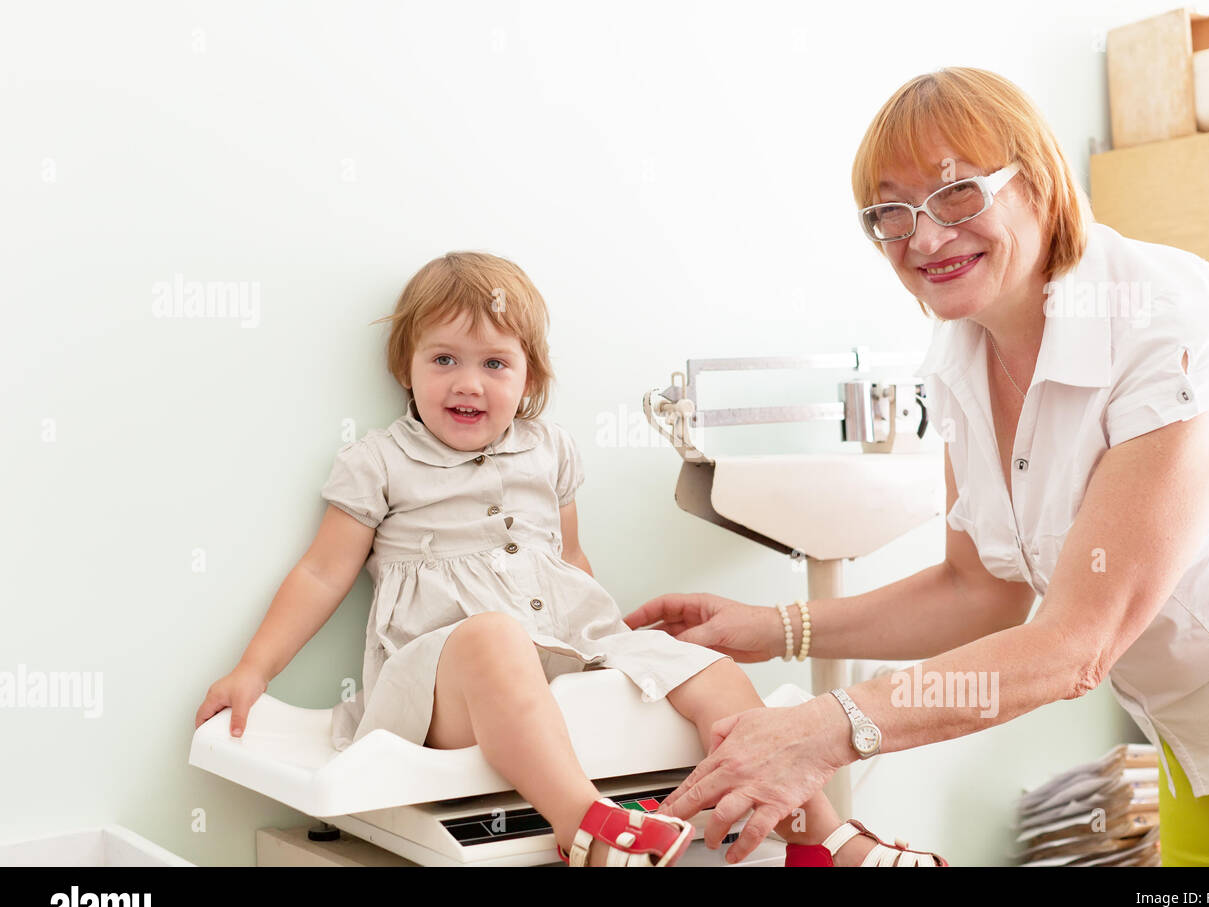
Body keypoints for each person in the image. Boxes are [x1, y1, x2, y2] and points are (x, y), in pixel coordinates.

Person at [625, 67, 1209, 866]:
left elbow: (1076, 642)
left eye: (957, 195)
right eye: (891, 212)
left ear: (1040, 183)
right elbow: (976, 591)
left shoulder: (1171, 323)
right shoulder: (961, 357)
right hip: (1197, 743)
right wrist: (771, 630)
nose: (924, 238)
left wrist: (828, 729)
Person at [193, 251, 941, 866]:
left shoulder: (549, 450)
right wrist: (254, 669)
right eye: (444, 359)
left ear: (528, 379)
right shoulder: (380, 462)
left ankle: (825, 836)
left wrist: (634, 656)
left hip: (562, 649)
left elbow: (573, 562)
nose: (468, 382)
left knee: (702, 662)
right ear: (406, 370)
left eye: (495, 363)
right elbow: (323, 572)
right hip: (443, 680)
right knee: (492, 633)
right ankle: (580, 820)